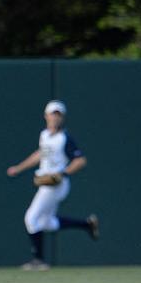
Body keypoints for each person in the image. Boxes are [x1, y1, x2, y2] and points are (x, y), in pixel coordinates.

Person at [6, 100, 99, 271]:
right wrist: (19, 168)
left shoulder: (64, 138)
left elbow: (80, 160)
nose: (55, 118)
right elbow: (40, 155)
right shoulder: (45, 135)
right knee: (46, 222)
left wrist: (63, 173)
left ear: (62, 118)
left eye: (58, 114)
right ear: (46, 116)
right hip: (45, 183)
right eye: (52, 114)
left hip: (56, 184)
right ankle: (86, 224)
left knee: (31, 218)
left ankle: (38, 260)